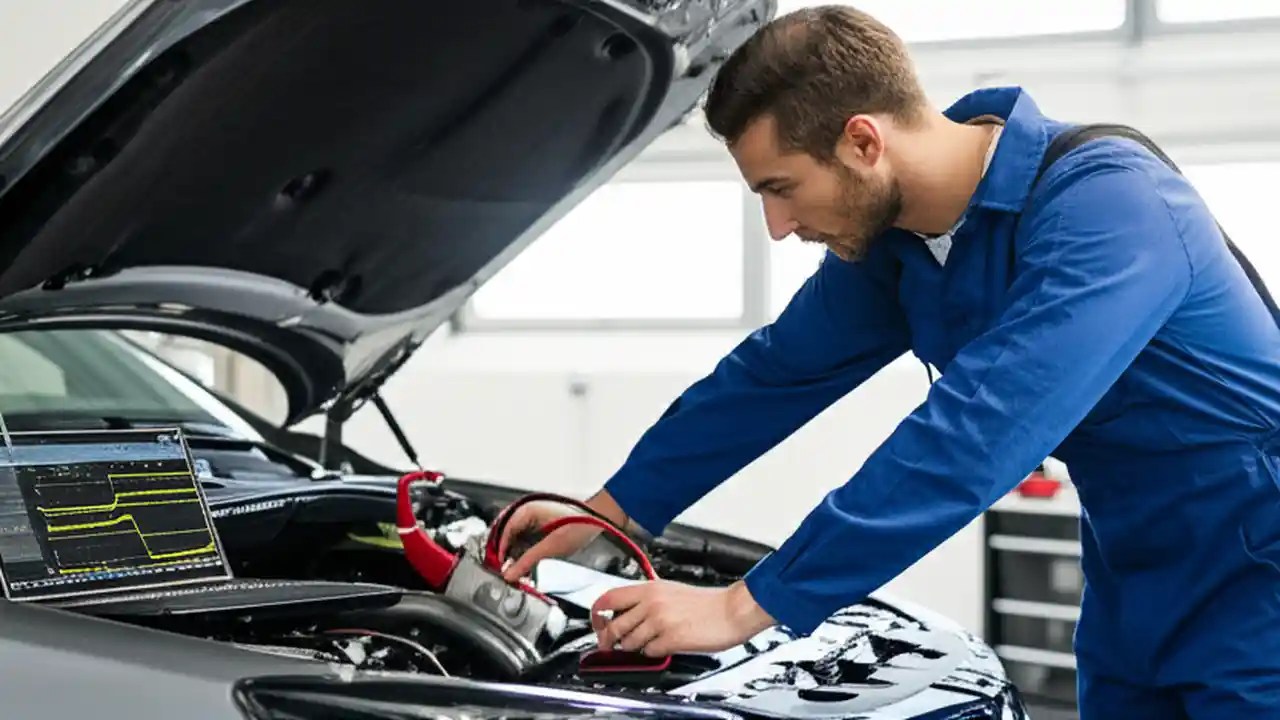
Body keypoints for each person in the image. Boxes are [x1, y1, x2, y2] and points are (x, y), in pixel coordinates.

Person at [494, 5, 1280, 718]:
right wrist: (606, 512)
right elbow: (773, 374)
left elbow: (977, 431)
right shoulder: (903, 249)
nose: (776, 226)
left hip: (1257, 567)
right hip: (1129, 570)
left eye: (783, 188)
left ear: (864, 141)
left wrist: (746, 605)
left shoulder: (1112, 207)